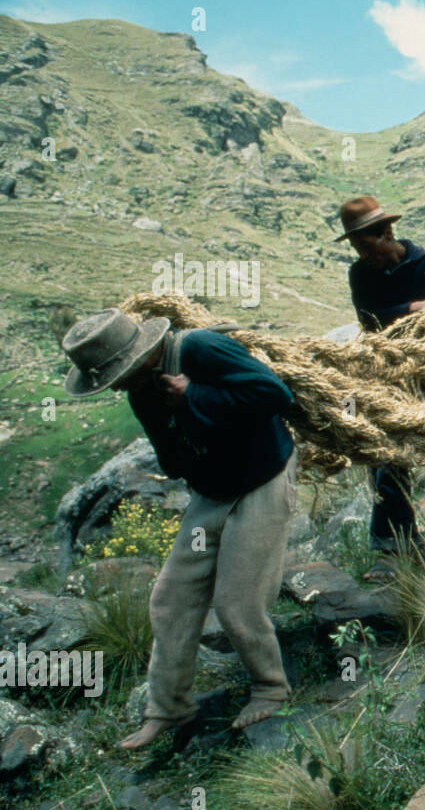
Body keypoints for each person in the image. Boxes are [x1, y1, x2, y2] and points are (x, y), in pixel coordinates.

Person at [62, 308, 298, 748]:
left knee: (237, 603)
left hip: (264, 477)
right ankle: (169, 709)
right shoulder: (141, 391)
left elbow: (275, 395)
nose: (118, 386)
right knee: (170, 598)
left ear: (144, 354)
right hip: (212, 493)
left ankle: (271, 689)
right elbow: (169, 458)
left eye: (122, 374)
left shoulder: (201, 349)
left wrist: (195, 397)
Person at [337, 195, 425, 567]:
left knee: (400, 446)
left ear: (385, 233)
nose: (363, 255)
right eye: (356, 247)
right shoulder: (359, 274)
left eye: (366, 246)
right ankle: (393, 544)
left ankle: (395, 543)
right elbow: (370, 323)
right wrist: (414, 310)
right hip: (388, 372)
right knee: (385, 448)